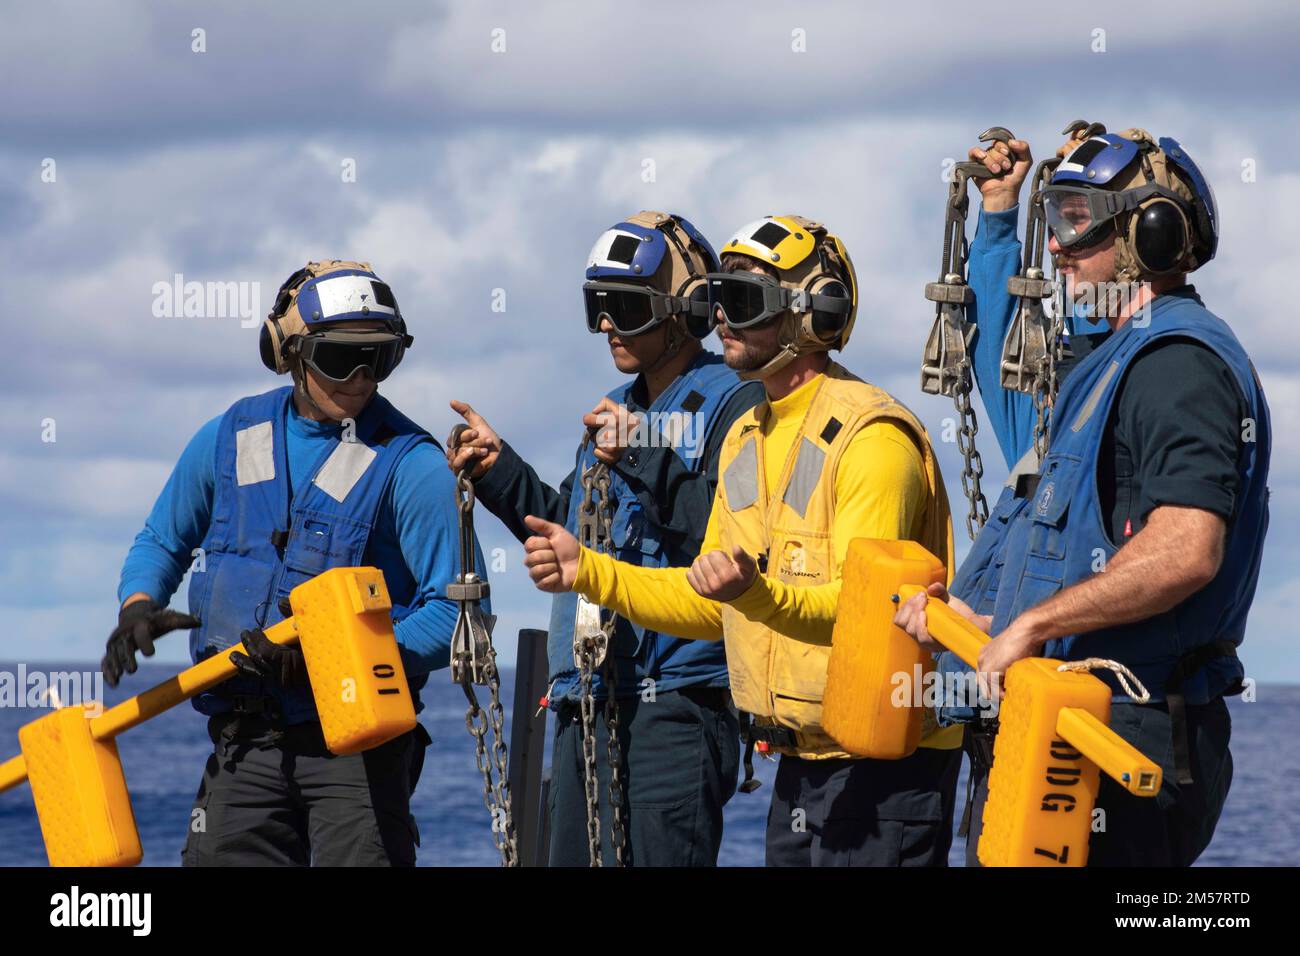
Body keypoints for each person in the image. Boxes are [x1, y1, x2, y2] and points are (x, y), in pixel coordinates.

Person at [522, 216, 964, 866]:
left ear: (814, 315)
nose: (723, 317)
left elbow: (863, 616)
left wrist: (753, 594)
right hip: (801, 757)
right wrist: (587, 571)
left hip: (884, 763)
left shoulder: (871, 441)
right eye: (719, 298)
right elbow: (712, 604)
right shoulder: (748, 436)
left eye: (746, 301)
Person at [896, 129, 1271, 866]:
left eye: (1075, 220)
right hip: (1059, 731)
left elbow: (1187, 549)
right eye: (1056, 217)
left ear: (1149, 234)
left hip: (1118, 737)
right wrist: (984, 619)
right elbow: (1059, 529)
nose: (1059, 247)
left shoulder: (1177, 367)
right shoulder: (1100, 375)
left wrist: (1032, 627)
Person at [104, 260, 482, 866]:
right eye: (340, 358)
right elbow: (162, 539)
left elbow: (458, 615)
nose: (361, 378)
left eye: (379, 358)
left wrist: (331, 659)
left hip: (356, 753)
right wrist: (138, 605)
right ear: (290, 354)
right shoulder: (230, 436)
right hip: (244, 743)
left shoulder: (413, 467)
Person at [447, 212, 764, 866]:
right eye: (597, 305)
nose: (605, 326)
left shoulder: (737, 403)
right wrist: (498, 468)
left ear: (683, 310)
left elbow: (726, 539)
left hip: (676, 706)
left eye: (624, 306)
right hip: (584, 698)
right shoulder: (615, 411)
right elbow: (572, 527)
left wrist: (641, 457)